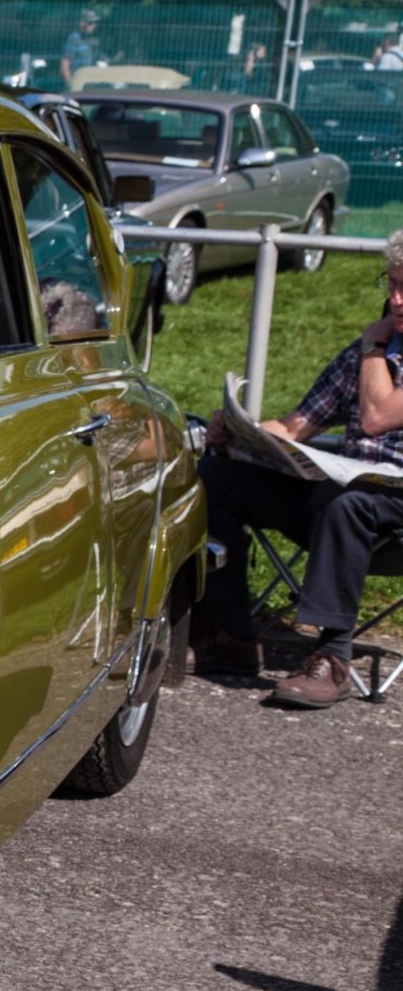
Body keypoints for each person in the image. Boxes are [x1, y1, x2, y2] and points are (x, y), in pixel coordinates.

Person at [192, 229, 403, 708]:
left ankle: (333, 656)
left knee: (344, 499)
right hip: (340, 504)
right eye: (390, 284)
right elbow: (296, 425)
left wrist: (373, 347)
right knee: (218, 477)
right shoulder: (367, 353)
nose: (395, 299)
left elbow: (377, 416)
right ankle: (230, 634)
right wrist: (241, 432)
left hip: (394, 514)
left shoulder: (371, 350)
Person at [60, 9, 103, 87]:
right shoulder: (74, 39)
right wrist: (70, 84)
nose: (93, 25)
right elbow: (65, 64)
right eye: (90, 23)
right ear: (82, 23)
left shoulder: (93, 40)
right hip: (77, 83)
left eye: (95, 23)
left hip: (89, 83)